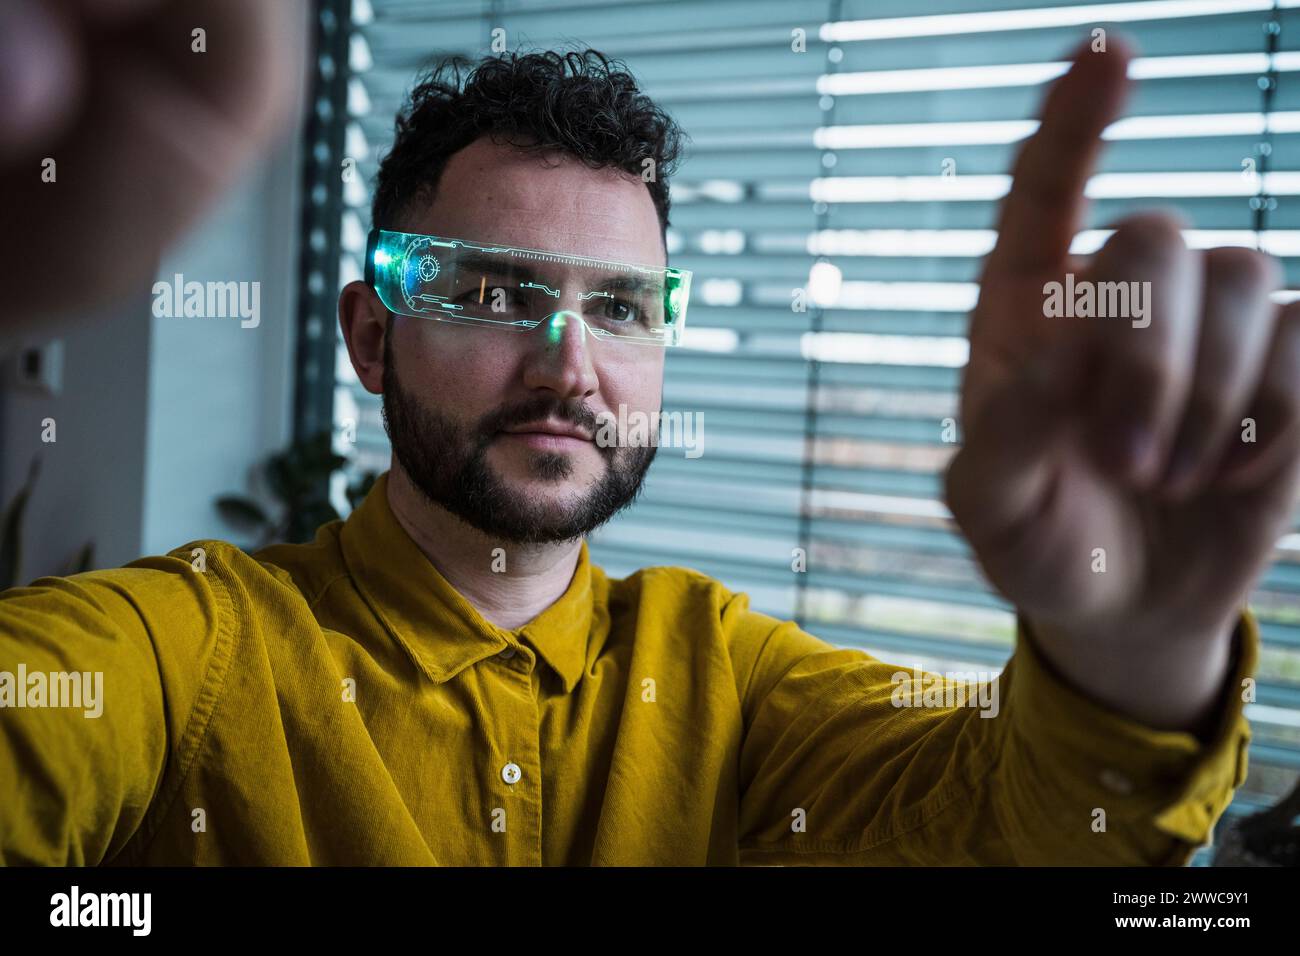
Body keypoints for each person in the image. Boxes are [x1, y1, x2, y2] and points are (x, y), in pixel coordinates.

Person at [0, 4, 1296, 865]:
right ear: (372, 335)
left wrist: (1135, 646)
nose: (571, 363)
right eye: (501, 294)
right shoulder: (184, 659)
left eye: (619, 306)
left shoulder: (735, 687)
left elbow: (1020, 826)